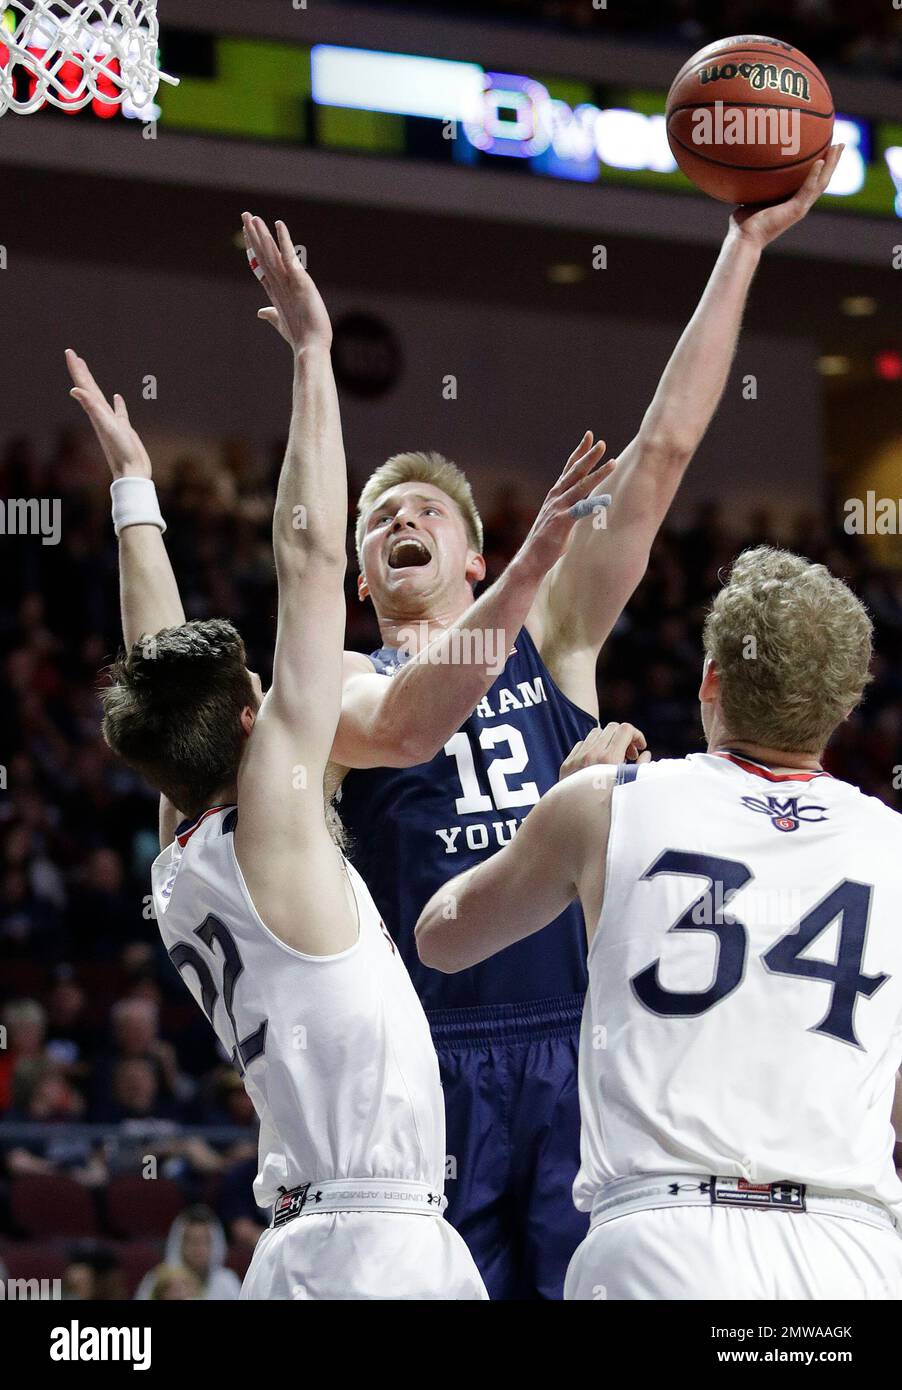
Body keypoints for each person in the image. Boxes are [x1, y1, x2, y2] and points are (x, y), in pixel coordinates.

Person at [334, 148, 844, 1296]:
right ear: (364, 578)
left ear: (471, 552)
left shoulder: (553, 632)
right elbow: (407, 727)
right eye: (379, 520)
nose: (400, 519)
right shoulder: (344, 688)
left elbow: (659, 455)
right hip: (428, 1056)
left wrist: (739, 246)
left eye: (425, 508)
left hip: (577, 1038)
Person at [68, 213, 489, 1299]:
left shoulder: (179, 856)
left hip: (298, 1245)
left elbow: (153, 666)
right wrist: (314, 352)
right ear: (257, 728)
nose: (275, 686)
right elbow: (309, 559)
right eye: (261, 688)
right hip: (375, 1245)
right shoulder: (276, 822)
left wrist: (133, 497)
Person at [416, 545, 902, 1300]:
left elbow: (440, 938)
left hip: (663, 1244)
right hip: (851, 1252)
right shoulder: (892, 848)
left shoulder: (609, 801)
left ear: (711, 679)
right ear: (845, 706)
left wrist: (554, 811)